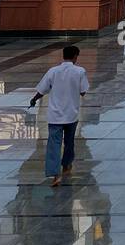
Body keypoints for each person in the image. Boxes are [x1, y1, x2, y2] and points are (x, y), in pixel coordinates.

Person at [29, 45, 90, 187]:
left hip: (55, 115)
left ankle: (55, 175)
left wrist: (34, 99)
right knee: (69, 143)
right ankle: (66, 165)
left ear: (63, 56)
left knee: (54, 145)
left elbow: (42, 89)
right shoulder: (80, 71)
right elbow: (83, 92)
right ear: (75, 56)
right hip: (71, 115)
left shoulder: (53, 71)